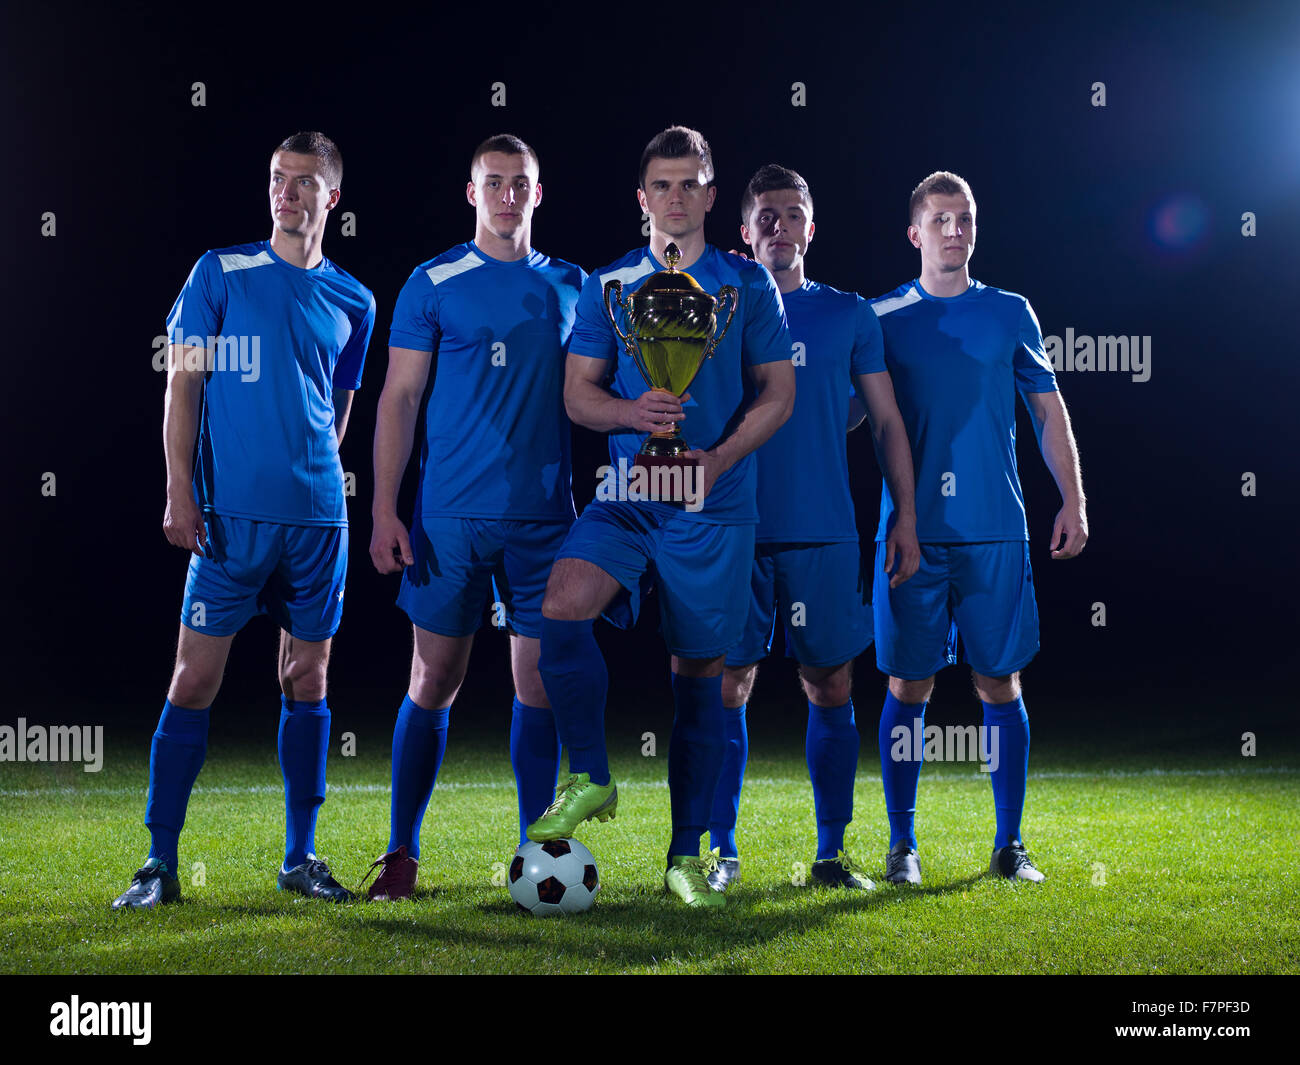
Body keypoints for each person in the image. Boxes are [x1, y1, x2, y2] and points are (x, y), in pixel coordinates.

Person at [526, 126, 796, 909]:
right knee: (559, 605)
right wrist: (630, 410)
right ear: (642, 198)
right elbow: (579, 395)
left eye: (691, 184)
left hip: (714, 506)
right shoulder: (608, 284)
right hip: (630, 496)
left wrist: (715, 458)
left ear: (712, 196)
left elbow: (778, 393)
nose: (676, 198)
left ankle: (684, 854)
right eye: (662, 186)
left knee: (697, 683)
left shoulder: (746, 284)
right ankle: (594, 774)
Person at [112, 132, 375, 908]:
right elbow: (182, 386)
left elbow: (340, 409)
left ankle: (301, 856)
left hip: (318, 523)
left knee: (308, 675)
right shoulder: (219, 271)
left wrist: (315, 480)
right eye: (276, 179)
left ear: (331, 198)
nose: (286, 193)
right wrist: (178, 490)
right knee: (193, 679)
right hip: (228, 519)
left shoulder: (355, 298)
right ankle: (159, 863)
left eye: (303, 183)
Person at [361, 135, 586, 901]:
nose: (507, 194)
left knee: (540, 685)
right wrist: (384, 507)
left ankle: (538, 860)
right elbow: (397, 398)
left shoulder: (574, 286)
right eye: (494, 182)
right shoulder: (432, 281)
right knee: (435, 675)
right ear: (471, 193)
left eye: (520, 182)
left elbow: (595, 390)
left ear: (538, 191)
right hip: (448, 518)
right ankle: (401, 853)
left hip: (544, 519)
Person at [706, 165, 919, 893]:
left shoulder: (849, 314)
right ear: (744, 230)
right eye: (765, 214)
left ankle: (830, 854)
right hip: (734, 526)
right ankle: (722, 852)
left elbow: (884, 420)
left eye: (792, 213)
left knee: (829, 683)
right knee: (728, 682)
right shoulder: (718, 311)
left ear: (811, 227)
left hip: (825, 531)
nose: (778, 225)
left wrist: (908, 516)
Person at [871, 171, 1087, 886]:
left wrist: (1073, 499)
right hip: (910, 533)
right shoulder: (882, 317)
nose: (954, 230)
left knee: (1000, 682)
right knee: (909, 686)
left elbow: (1049, 413)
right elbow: (842, 415)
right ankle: (903, 847)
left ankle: (1010, 844)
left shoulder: (1010, 312)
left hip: (995, 528)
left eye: (964, 218)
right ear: (915, 232)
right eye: (940, 219)